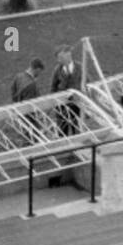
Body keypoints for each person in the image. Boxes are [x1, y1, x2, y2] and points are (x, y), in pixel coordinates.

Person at [49, 45, 83, 187]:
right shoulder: (58, 70)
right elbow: (53, 88)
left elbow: (87, 81)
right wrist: (54, 102)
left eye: (61, 57)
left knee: (76, 128)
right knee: (62, 130)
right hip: (62, 107)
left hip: (76, 105)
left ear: (68, 55)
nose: (60, 60)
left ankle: (78, 152)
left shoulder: (80, 67)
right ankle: (63, 155)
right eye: (58, 58)